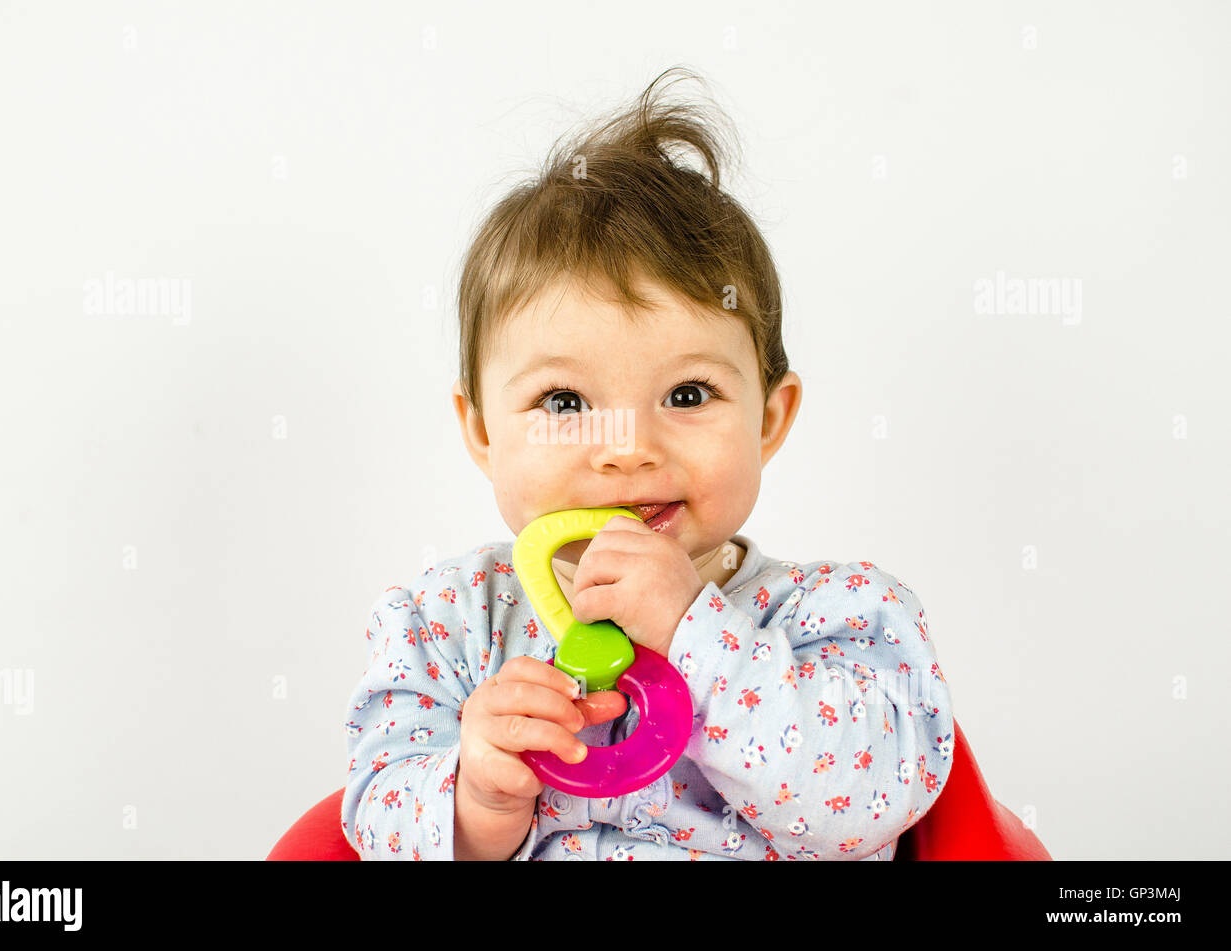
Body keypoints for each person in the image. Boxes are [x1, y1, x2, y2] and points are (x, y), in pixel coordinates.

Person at [342, 66, 954, 860]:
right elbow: (365, 818)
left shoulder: (840, 616)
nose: (627, 447)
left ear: (770, 418)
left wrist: (696, 633)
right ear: (483, 430)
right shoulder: (447, 625)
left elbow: (872, 804)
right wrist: (473, 797)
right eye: (565, 403)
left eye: (688, 392)